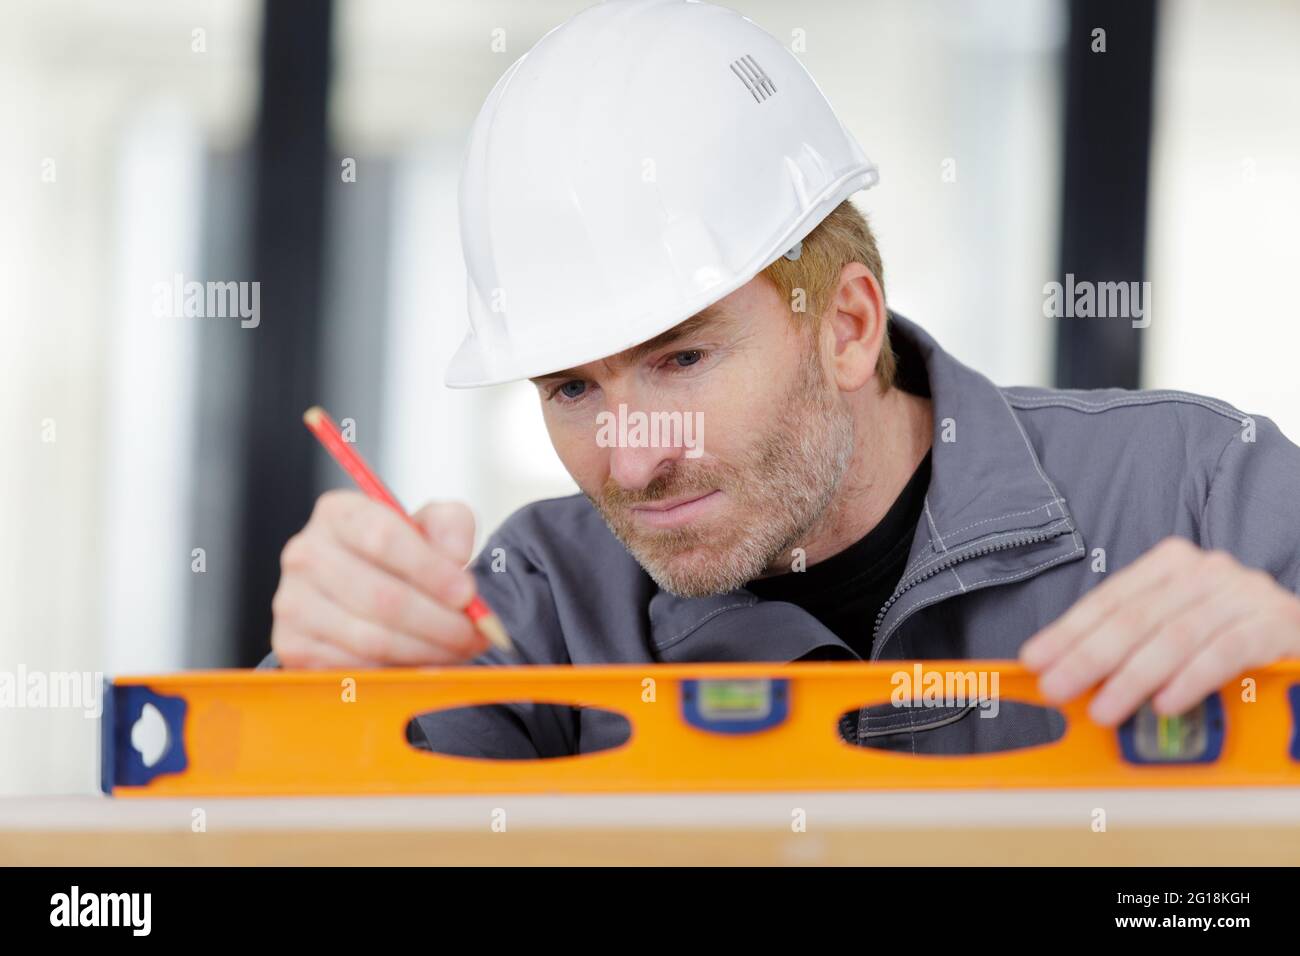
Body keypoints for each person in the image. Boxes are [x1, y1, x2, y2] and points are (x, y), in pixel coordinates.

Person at [262, 0, 1300, 759]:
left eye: (681, 357)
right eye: (570, 387)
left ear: (845, 325)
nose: (633, 456)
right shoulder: (537, 607)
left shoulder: (1198, 492)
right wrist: (320, 690)